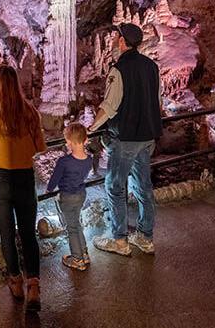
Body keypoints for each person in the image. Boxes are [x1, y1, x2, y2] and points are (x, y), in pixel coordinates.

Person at [88, 23, 163, 256]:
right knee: (143, 185)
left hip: (126, 137)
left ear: (122, 41)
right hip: (147, 136)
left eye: (115, 36)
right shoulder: (151, 67)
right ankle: (145, 237)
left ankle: (119, 240)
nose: (112, 40)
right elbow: (157, 101)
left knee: (115, 186)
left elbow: (109, 107)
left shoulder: (118, 69)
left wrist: (90, 128)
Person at [0, 65, 47, 311]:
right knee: (28, 233)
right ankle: (34, 285)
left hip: (0, 178)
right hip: (25, 177)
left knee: (6, 232)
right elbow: (40, 146)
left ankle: (15, 281)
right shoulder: (30, 112)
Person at [46, 122, 92, 271]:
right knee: (76, 223)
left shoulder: (64, 162)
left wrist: (49, 189)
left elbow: (55, 178)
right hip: (81, 194)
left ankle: (77, 258)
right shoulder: (89, 159)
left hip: (67, 197)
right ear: (85, 140)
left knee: (71, 227)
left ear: (68, 142)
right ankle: (84, 253)